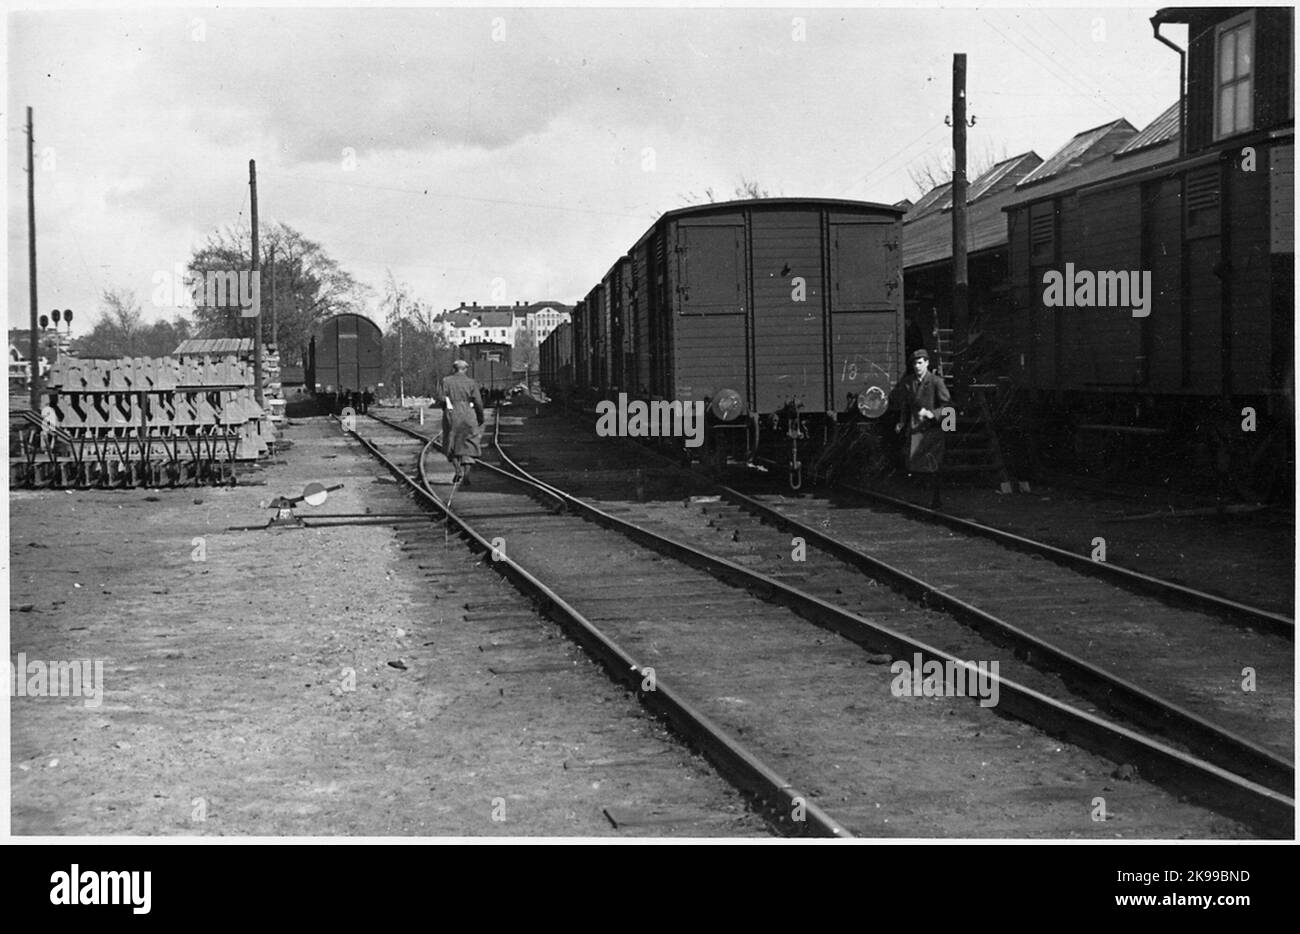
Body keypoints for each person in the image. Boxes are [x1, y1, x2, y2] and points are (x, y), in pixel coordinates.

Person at [894, 348, 951, 509]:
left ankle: (934, 499)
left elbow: (948, 406)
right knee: (914, 464)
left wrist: (933, 414)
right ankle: (919, 501)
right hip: (914, 429)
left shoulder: (936, 382)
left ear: (927, 363)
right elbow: (905, 406)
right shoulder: (909, 382)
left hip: (932, 430)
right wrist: (901, 422)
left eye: (920, 363)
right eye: (914, 364)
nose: (917, 366)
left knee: (932, 466)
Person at [440, 360, 485, 485]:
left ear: (454, 369)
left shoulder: (446, 381)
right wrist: (480, 418)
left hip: (452, 413)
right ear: (465, 369)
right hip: (468, 414)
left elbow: (441, 398)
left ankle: (458, 470)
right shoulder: (471, 382)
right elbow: (478, 402)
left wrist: (446, 410)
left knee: (452, 443)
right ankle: (467, 474)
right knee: (469, 444)